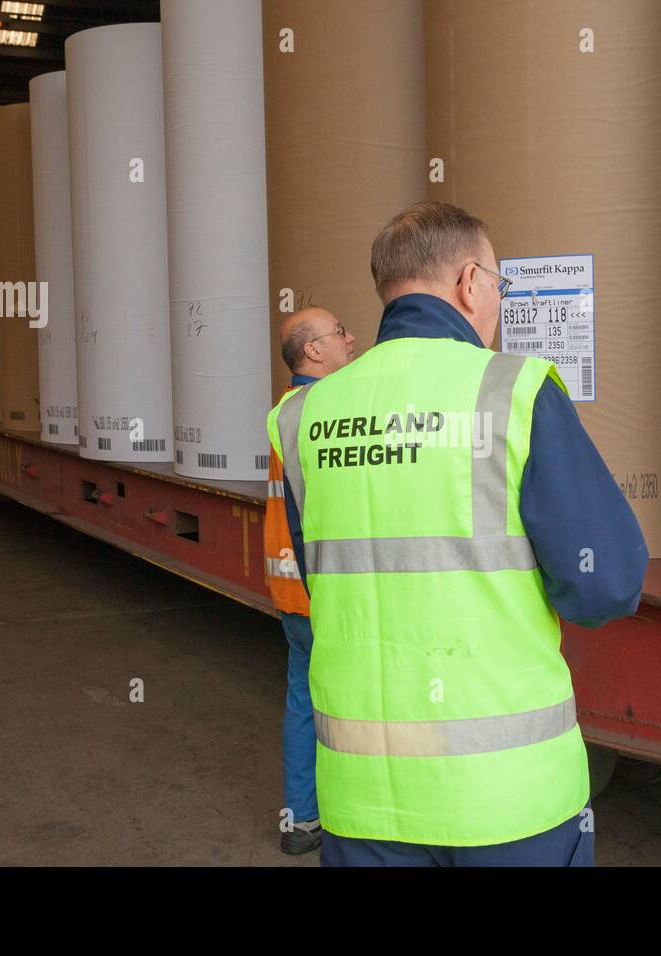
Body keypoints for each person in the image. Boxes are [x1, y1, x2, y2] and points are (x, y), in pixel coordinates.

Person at [267, 201, 647, 866]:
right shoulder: (511, 391)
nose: (497, 300)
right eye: (500, 284)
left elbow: (322, 566)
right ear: (469, 282)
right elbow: (605, 584)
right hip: (509, 799)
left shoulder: (305, 416)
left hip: (365, 802)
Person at [263, 305, 355, 854]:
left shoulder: (286, 411)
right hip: (320, 589)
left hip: (290, 586)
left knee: (303, 696)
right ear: (313, 351)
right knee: (348, 700)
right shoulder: (324, 411)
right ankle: (357, 817)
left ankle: (301, 819)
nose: (352, 338)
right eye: (340, 332)